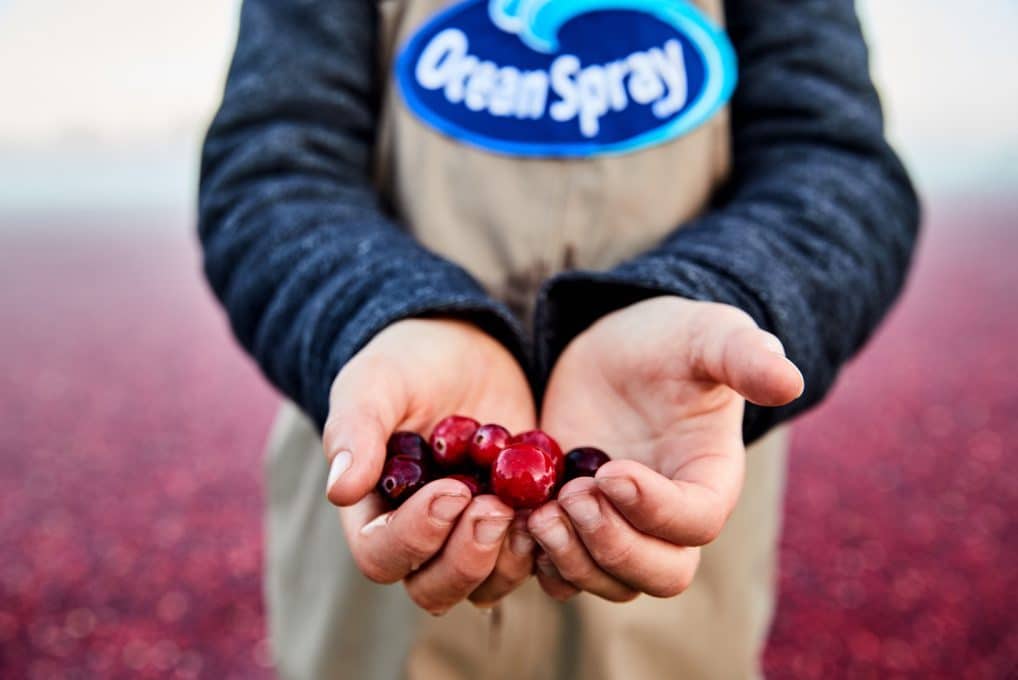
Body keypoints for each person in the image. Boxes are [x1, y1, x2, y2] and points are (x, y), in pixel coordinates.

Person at [198, 0, 919, 678]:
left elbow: (839, 167)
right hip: (373, 571)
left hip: (667, 539)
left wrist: (713, 297)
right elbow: (270, 171)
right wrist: (375, 312)